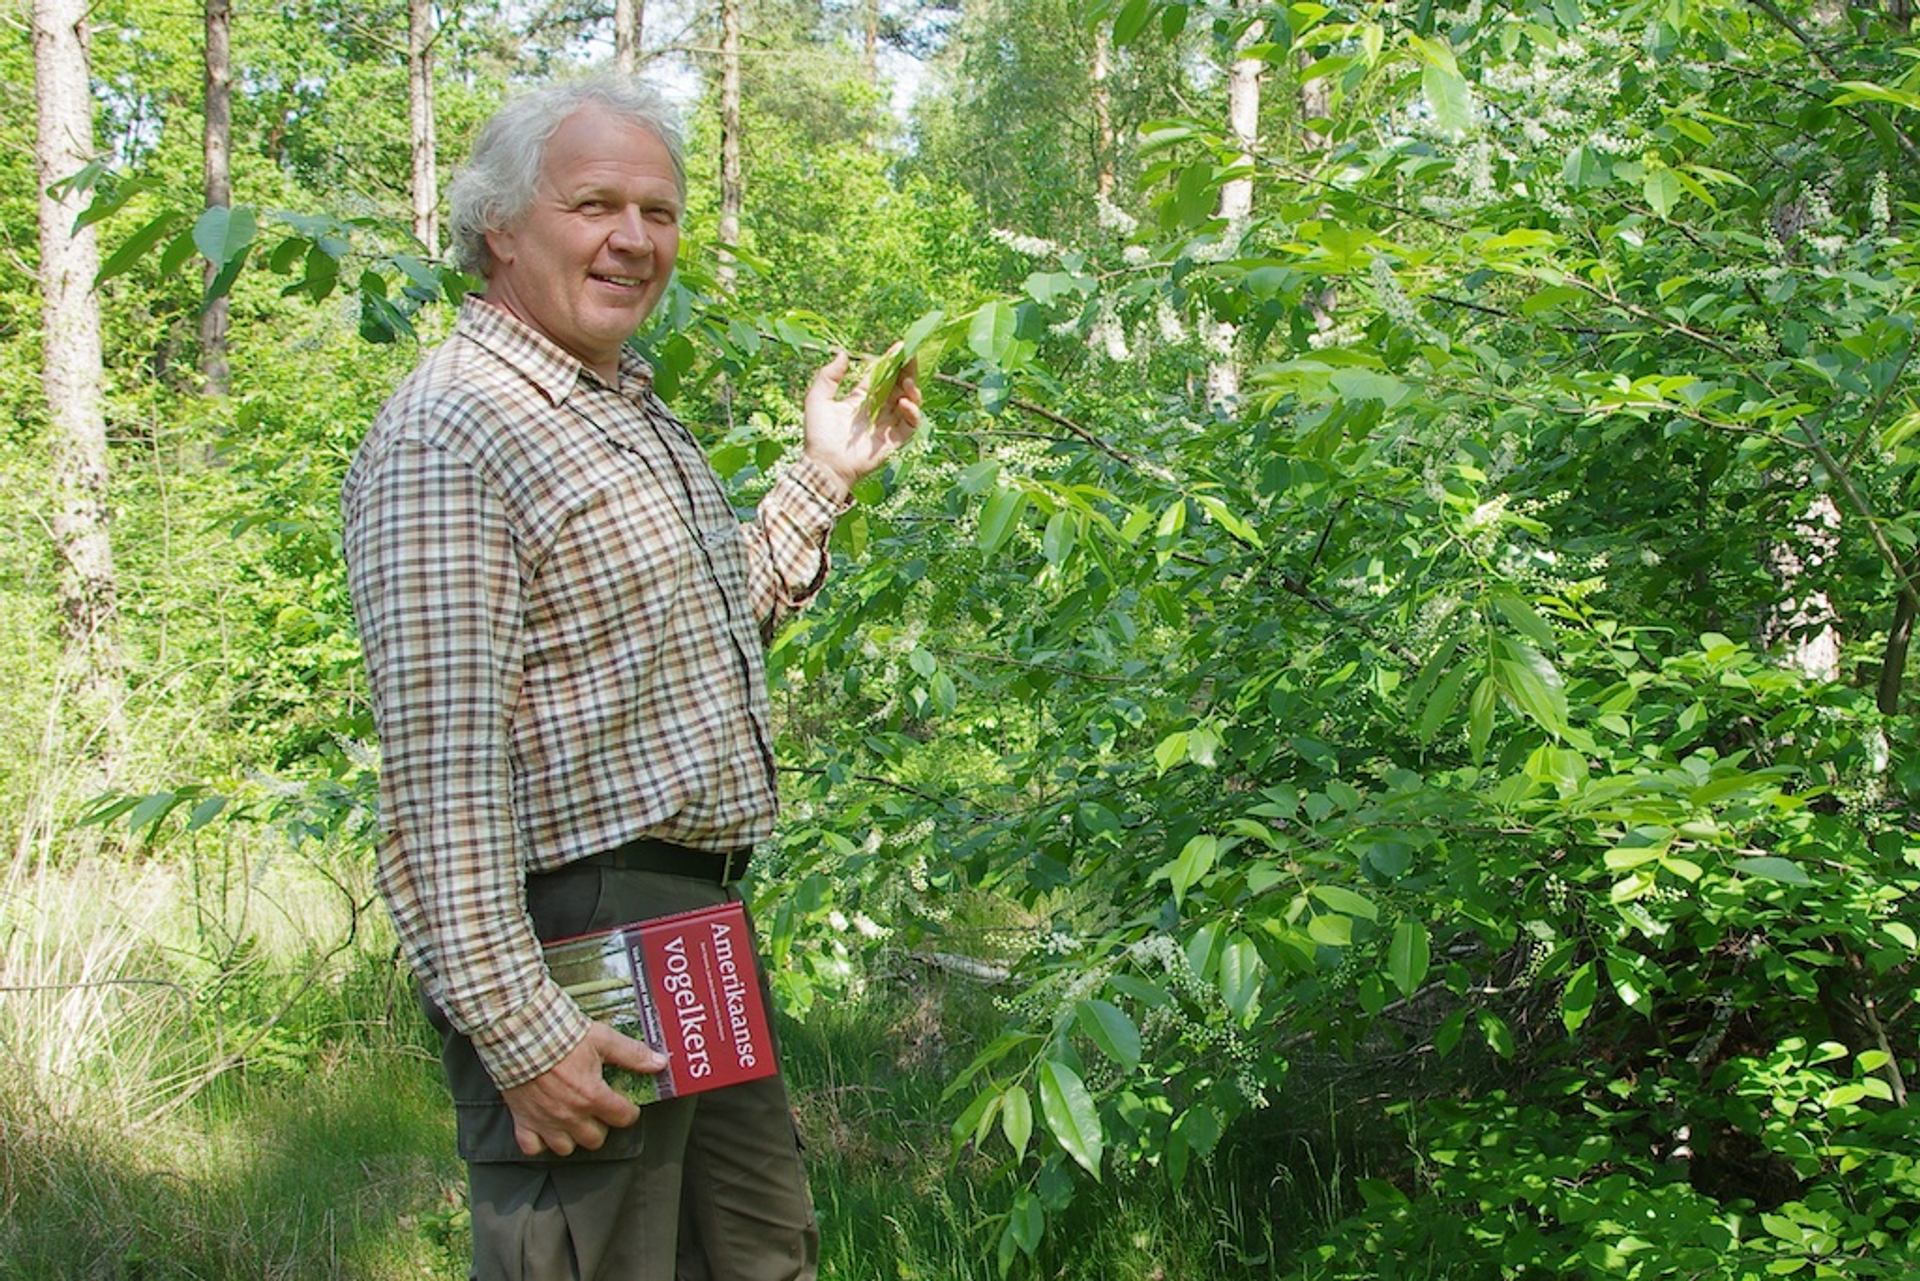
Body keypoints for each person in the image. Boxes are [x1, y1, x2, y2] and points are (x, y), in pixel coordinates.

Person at [341, 73, 921, 1281]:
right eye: (594, 203)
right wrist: (521, 1033)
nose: (635, 239)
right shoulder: (457, 428)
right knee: (593, 1261)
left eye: (658, 211)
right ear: (498, 227)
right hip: (576, 935)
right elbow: (440, 784)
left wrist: (825, 475)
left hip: (694, 929)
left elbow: (695, 640)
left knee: (757, 1257)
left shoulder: (620, 408)